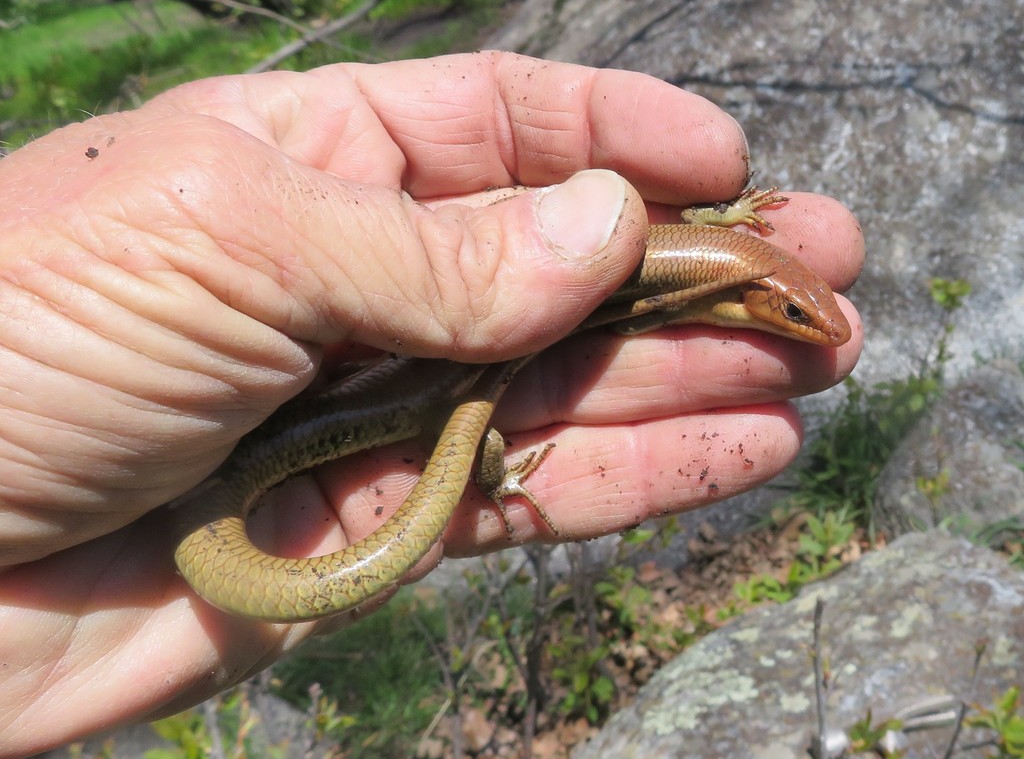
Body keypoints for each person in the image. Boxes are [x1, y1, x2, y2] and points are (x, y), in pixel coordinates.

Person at [0, 51, 862, 756]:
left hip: (382, 402)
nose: (812, 328)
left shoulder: (717, 265)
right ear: (757, 291)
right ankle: (482, 472)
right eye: (795, 314)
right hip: (399, 404)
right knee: (464, 405)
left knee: (470, 400)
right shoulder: (712, 270)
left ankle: (472, 459)